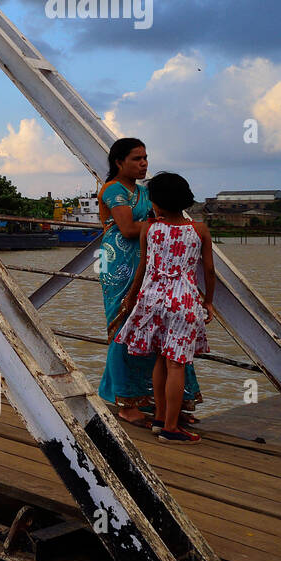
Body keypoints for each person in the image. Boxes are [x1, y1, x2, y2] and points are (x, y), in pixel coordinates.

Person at [95, 138, 202, 427]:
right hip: (119, 265)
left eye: (145, 158)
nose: (144, 164)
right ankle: (126, 404)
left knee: (155, 332)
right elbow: (128, 229)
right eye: (136, 159)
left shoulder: (145, 192)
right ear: (119, 162)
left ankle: (162, 404)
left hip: (151, 268)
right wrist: (173, 225)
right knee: (125, 330)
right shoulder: (112, 190)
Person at [115, 173, 213, 443]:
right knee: (177, 364)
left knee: (159, 358)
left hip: (152, 300)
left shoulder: (150, 228)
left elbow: (144, 267)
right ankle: (171, 428)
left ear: (156, 203)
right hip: (183, 302)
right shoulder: (199, 229)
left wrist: (131, 297)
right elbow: (209, 271)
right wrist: (209, 302)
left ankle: (159, 419)